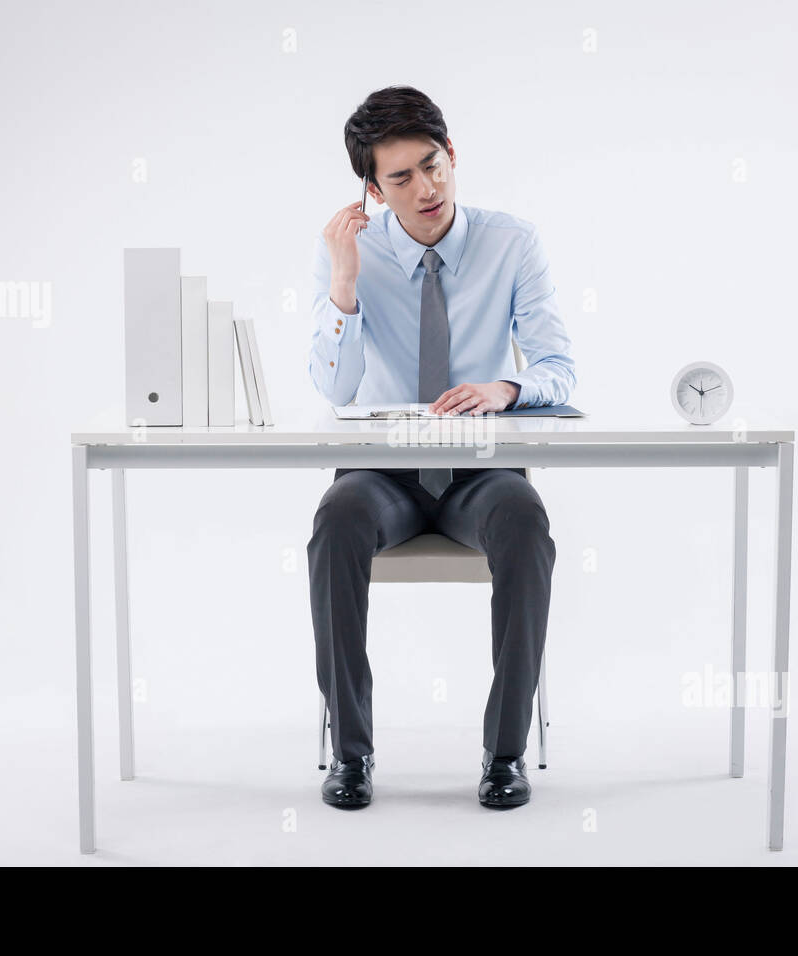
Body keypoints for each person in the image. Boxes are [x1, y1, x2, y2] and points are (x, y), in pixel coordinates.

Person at [306, 86, 576, 810]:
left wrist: (506, 389)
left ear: (452, 154)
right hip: (383, 474)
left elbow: (558, 367)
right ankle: (352, 755)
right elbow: (335, 388)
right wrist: (343, 282)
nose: (426, 188)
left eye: (434, 165)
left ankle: (504, 753)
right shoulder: (352, 251)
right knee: (336, 519)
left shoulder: (510, 242)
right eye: (401, 177)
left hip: (479, 471)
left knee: (525, 521)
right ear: (372, 188)